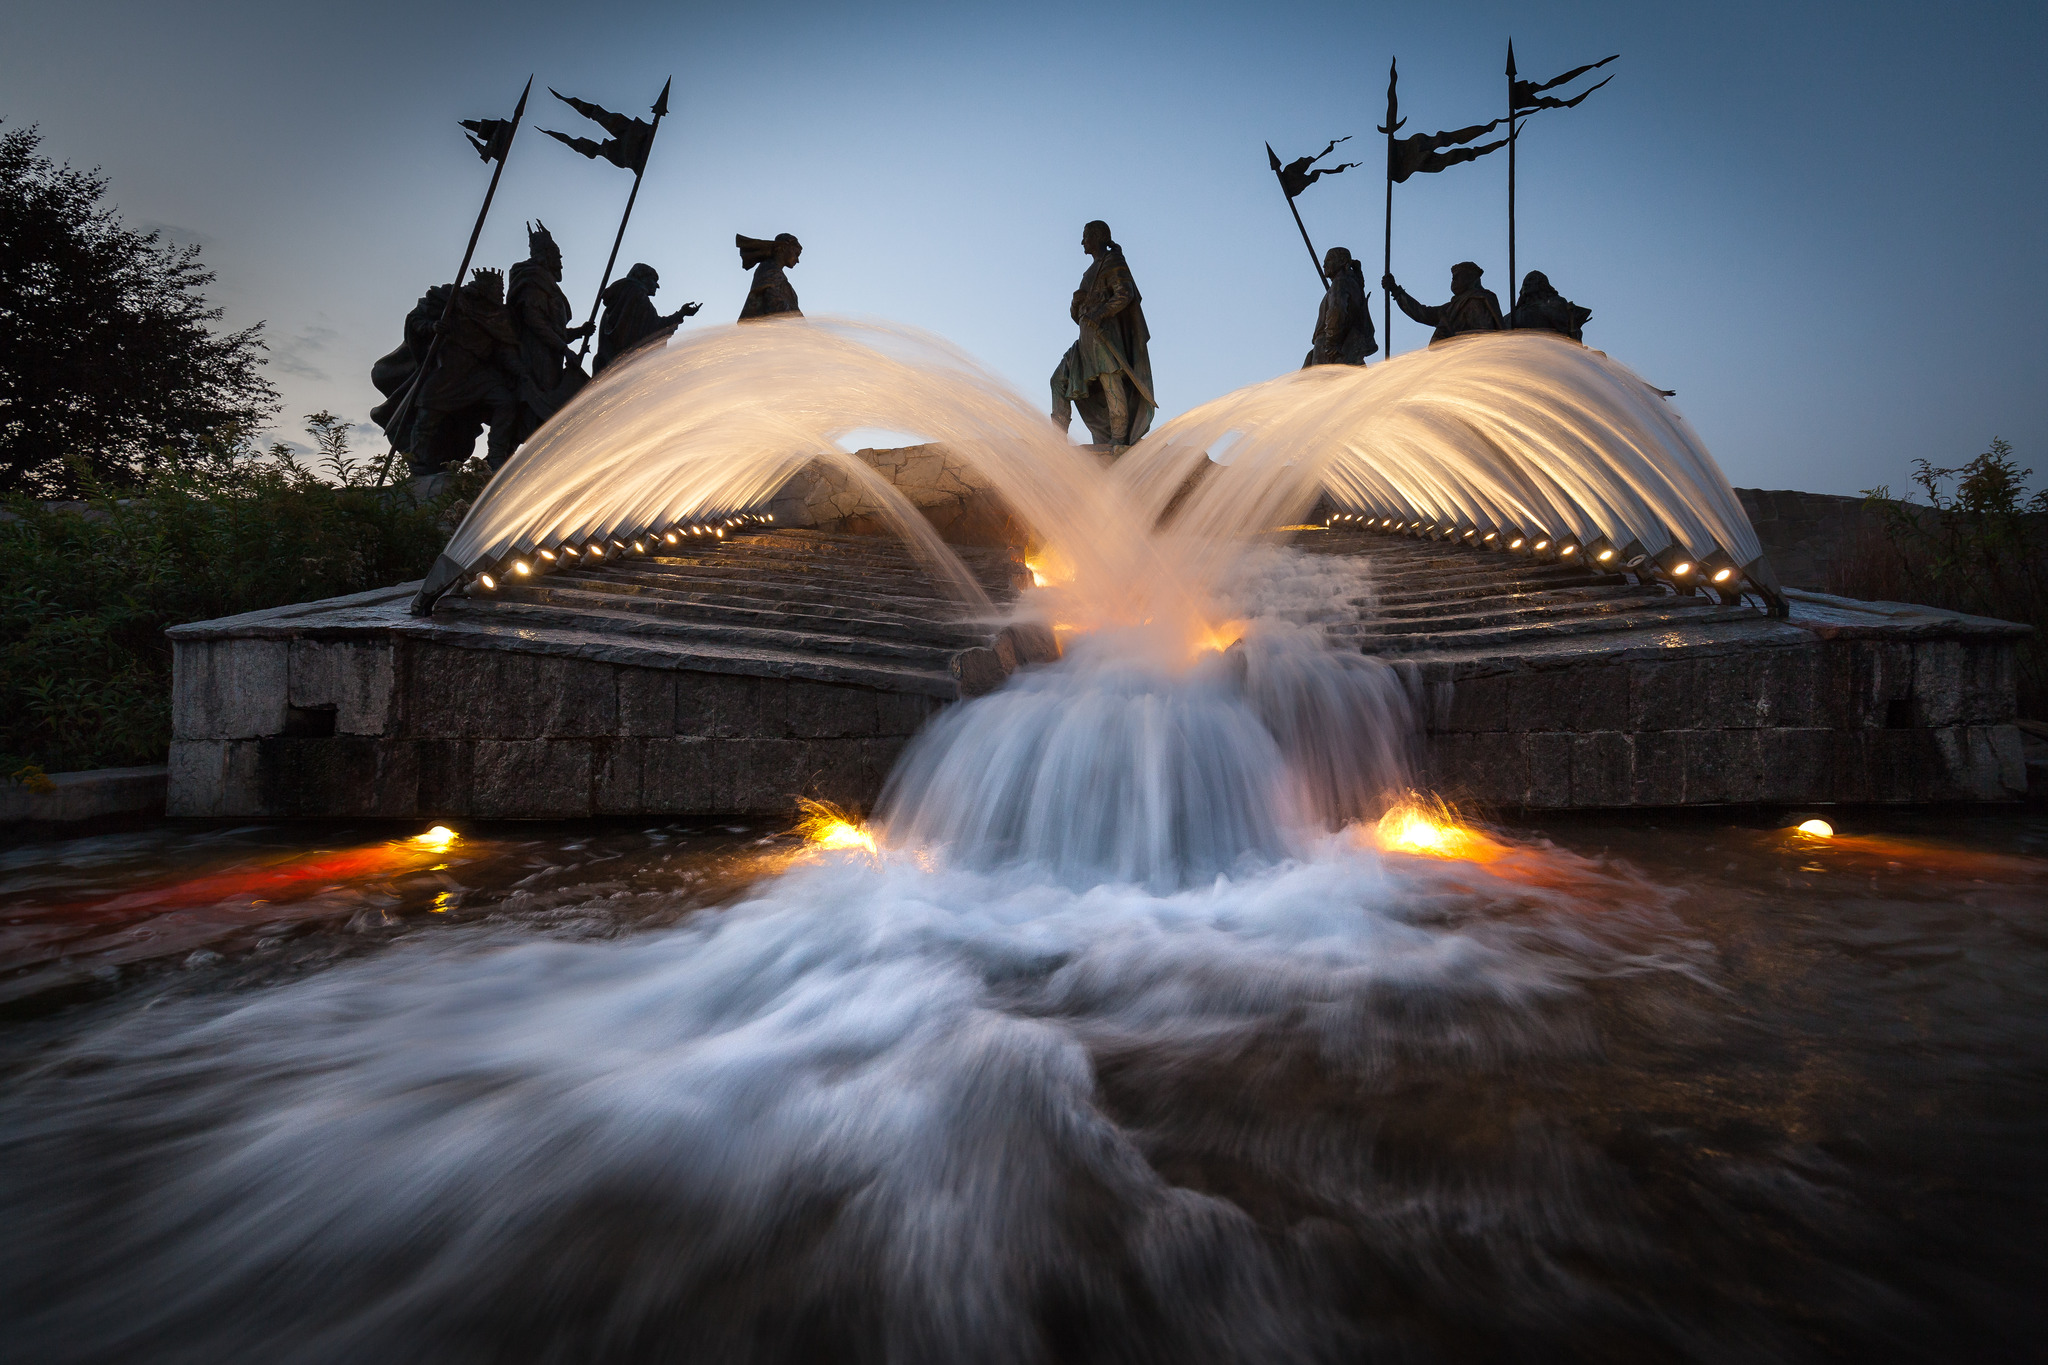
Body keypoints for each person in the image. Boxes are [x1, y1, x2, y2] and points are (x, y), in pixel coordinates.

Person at [1050, 219, 1154, 448]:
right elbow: (1078, 317)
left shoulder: (1113, 261)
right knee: (1058, 380)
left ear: (1097, 237)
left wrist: (1099, 313)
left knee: (1110, 379)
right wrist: (1075, 305)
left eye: (1085, 236)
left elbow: (1125, 293)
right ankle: (1056, 442)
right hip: (1085, 337)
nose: (1082, 242)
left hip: (1105, 334)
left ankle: (1118, 440)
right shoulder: (1089, 271)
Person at [411, 267, 520, 473]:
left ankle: (496, 455)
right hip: (449, 369)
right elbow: (416, 319)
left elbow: (505, 350)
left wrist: (522, 373)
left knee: (505, 401)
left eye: (502, 290)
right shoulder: (453, 298)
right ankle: (418, 463)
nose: (501, 294)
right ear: (484, 288)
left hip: (477, 372)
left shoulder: (498, 315)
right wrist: (432, 327)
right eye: (497, 289)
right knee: (427, 416)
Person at [502, 221, 593, 458]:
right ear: (544, 255)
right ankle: (512, 457)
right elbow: (534, 322)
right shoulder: (533, 279)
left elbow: (555, 329)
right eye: (557, 255)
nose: (560, 261)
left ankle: (544, 454)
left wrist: (579, 332)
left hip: (549, 355)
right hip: (535, 357)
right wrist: (564, 348)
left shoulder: (545, 281)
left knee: (550, 406)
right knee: (539, 404)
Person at [594, 263, 700, 374]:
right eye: (654, 280)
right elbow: (655, 330)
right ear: (642, 277)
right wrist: (682, 313)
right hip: (622, 369)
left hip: (607, 364)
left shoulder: (618, 299)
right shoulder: (637, 296)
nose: (657, 285)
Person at [1381, 261, 1502, 344]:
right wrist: (1396, 291)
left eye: (1457, 276)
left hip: (1473, 360)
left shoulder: (1478, 300)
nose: (1453, 280)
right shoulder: (1450, 308)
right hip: (1453, 359)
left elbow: (1485, 337)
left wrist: (1452, 338)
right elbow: (1422, 313)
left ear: (1470, 278)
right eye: (1452, 277)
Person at [1304, 247, 1377, 367]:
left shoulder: (1340, 282)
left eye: (1328, 260)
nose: (1324, 265)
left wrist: (1331, 342)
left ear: (1342, 261)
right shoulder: (1352, 283)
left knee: (1320, 384)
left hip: (1330, 347)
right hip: (1345, 346)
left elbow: (1336, 311)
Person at [1508, 270, 1592, 341]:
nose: (1526, 284)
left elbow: (1566, 332)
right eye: (1524, 282)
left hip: (1547, 346)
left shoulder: (1555, 303)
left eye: (1531, 279)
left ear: (1542, 283)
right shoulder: (1516, 312)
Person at [736, 233, 802, 319]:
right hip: (769, 329)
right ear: (784, 248)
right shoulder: (769, 271)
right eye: (796, 254)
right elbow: (775, 306)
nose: (797, 260)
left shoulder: (775, 273)